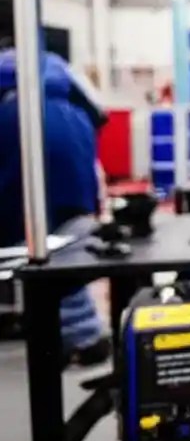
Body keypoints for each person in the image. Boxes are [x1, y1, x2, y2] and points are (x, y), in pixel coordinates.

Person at [0, 45, 111, 366]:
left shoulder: (9, 92)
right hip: (75, 169)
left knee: (30, 248)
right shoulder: (60, 71)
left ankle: (62, 335)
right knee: (66, 251)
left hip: (21, 168)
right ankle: (84, 334)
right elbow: (100, 115)